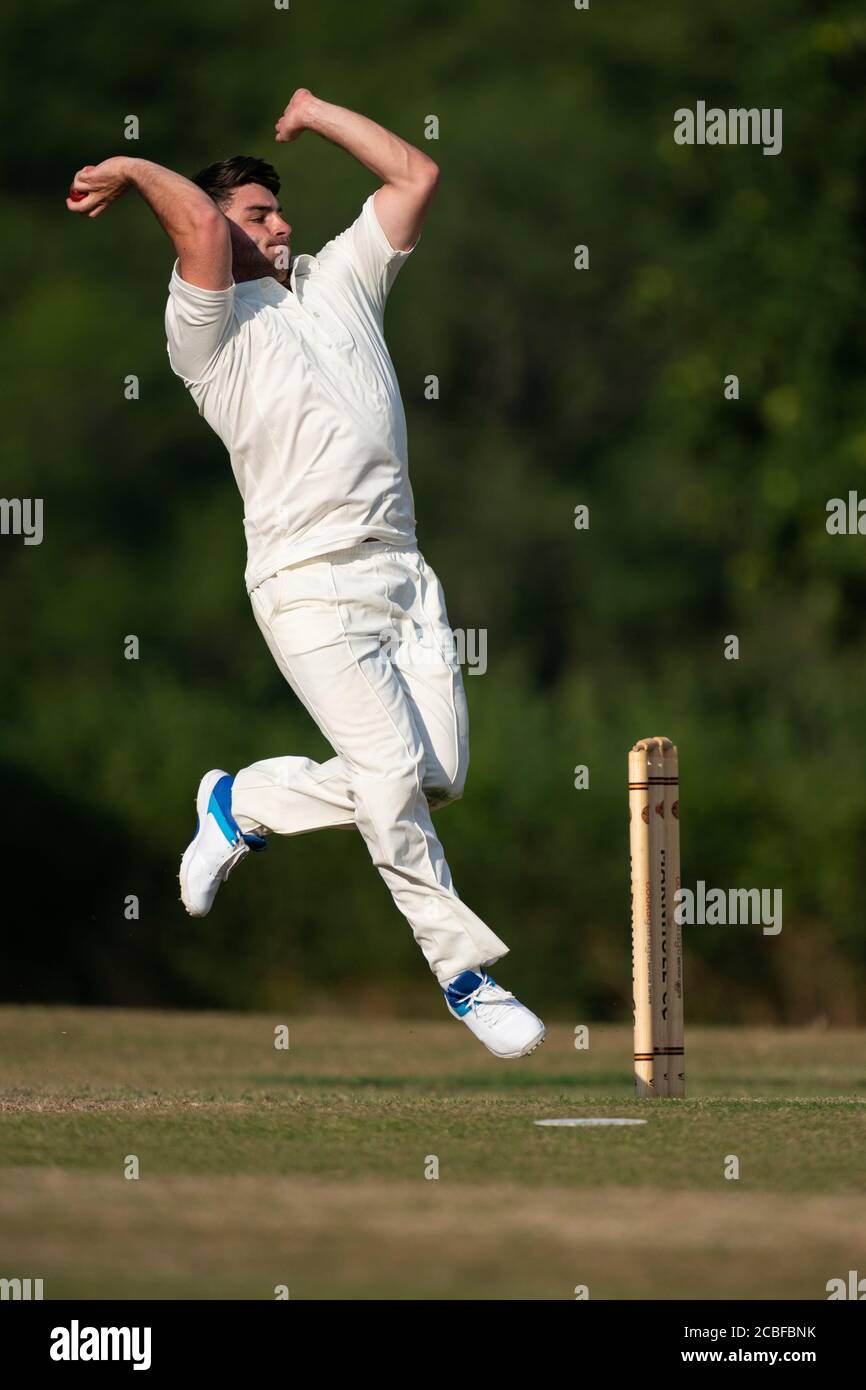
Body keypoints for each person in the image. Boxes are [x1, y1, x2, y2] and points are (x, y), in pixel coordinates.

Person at [66, 88, 545, 1059]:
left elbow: (415, 175)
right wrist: (129, 168)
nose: (279, 224)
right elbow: (196, 221)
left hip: (404, 578)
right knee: (390, 780)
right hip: (306, 584)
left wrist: (314, 110)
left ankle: (239, 804)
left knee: (429, 776)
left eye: (280, 209)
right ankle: (463, 974)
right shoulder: (205, 330)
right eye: (260, 213)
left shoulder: (338, 280)